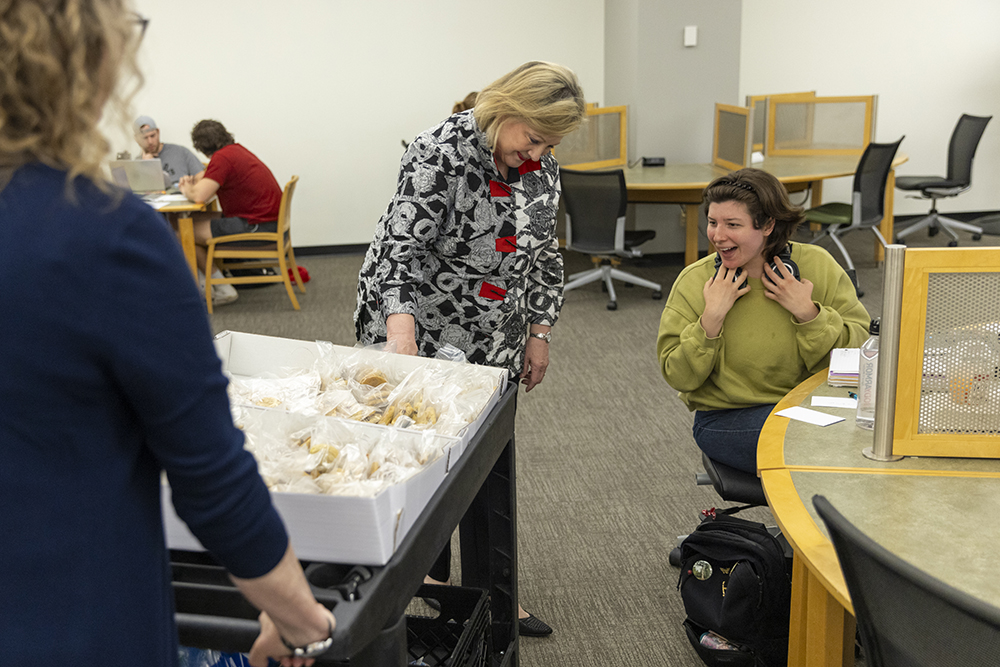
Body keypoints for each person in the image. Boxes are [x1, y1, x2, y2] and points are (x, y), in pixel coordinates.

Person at [0, 3, 334, 666]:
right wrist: (302, 620)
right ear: (91, 60)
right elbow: (213, 480)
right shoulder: (106, 236)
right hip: (71, 621)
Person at [355, 60, 586, 637]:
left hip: (494, 335)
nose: (536, 155)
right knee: (421, 460)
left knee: (485, 464)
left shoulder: (540, 167)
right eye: (532, 138)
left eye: (549, 145)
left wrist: (539, 333)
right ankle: (425, 583)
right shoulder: (441, 152)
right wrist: (400, 336)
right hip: (419, 327)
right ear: (506, 108)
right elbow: (399, 248)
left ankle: (494, 598)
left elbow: (544, 255)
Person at [657, 169, 871, 474]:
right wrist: (711, 320)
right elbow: (678, 376)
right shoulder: (695, 282)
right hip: (729, 418)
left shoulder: (818, 266)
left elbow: (861, 357)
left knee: (875, 436)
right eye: (713, 222)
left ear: (768, 225)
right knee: (825, 448)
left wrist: (809, 314)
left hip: (814, 407)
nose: (718, 235)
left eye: (733, 225)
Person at [178, 119, 283, 307]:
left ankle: (222, 289)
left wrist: (187, 189)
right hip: (264, 220)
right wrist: (196, 179)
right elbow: (208, 174)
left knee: (182, 232)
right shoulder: (234, 151)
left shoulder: (223, 158)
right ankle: (210, 282)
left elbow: (200, 196)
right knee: (190, 222)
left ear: (200, 146)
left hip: (256, 227)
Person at [133, 114, 204, 187]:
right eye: (145, 138)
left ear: (158, 132)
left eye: (152, 136)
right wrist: (149, 166)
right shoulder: (136, 164)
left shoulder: (180, 152)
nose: (150, 141)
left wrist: (193, 189)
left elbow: (201, 176)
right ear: (137, 139)